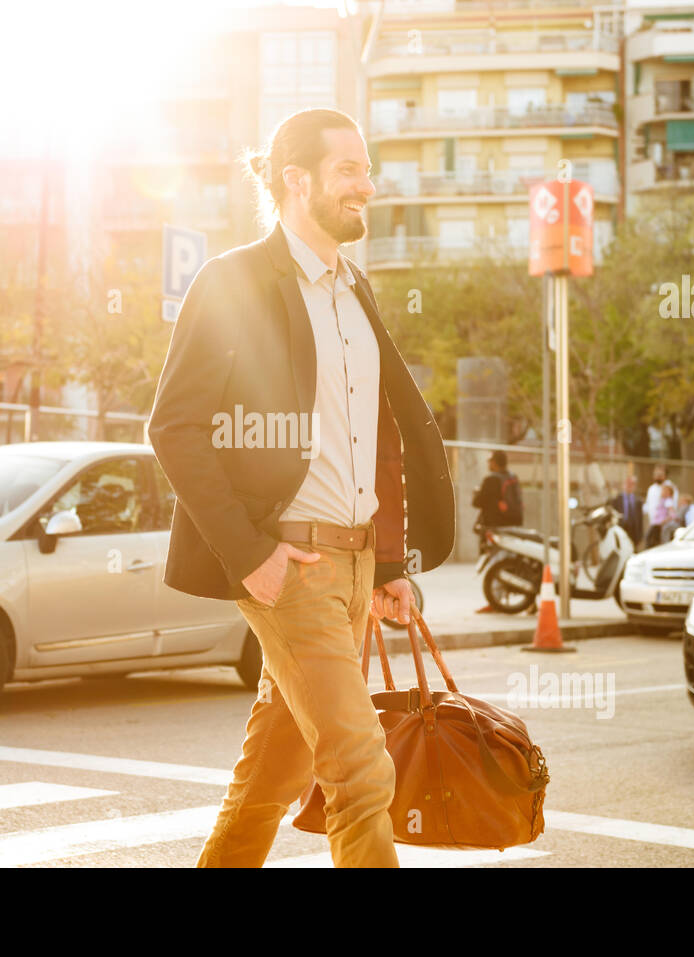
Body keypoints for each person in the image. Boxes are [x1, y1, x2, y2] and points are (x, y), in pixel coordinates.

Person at [147, 108, 455, 869]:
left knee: (272, 776)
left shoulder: (355, 290)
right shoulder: (233, 281)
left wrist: (387, 564)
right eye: (348, 170)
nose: (367, 186)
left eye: (367, 169)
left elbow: (377, 439)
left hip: (353, 567)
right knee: (359, 765)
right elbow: (174, 426)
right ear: (296, 179)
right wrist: (251, 554)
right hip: (290, 571)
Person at [473, 450, 523, 613]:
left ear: (495, 462)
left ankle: (495, 601)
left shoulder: (491, 479)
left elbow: (477, 502)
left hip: (496, 527)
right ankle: (524, 599)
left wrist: (477, 493)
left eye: (490, 461)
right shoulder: (513, 477)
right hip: (514, 526)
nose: (488, 464)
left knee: (496, 564)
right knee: (511, 562)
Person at [607, 472, 644, 546]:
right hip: (621, 528)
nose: (629, 486)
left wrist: (640, 535)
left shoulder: (638, 501)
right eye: (627, 483)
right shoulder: (616, 499)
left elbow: (640, 519)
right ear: (623, 485)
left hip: (634, 530)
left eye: (632, 484)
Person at [644, 481, 677, 548]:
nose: (663, 492)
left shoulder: (668, 501)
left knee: (651, 539)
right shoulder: (662, 500)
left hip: (659, 524)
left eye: (665, 491)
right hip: (656, 523)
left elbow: (672, 514)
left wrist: (664, 521)